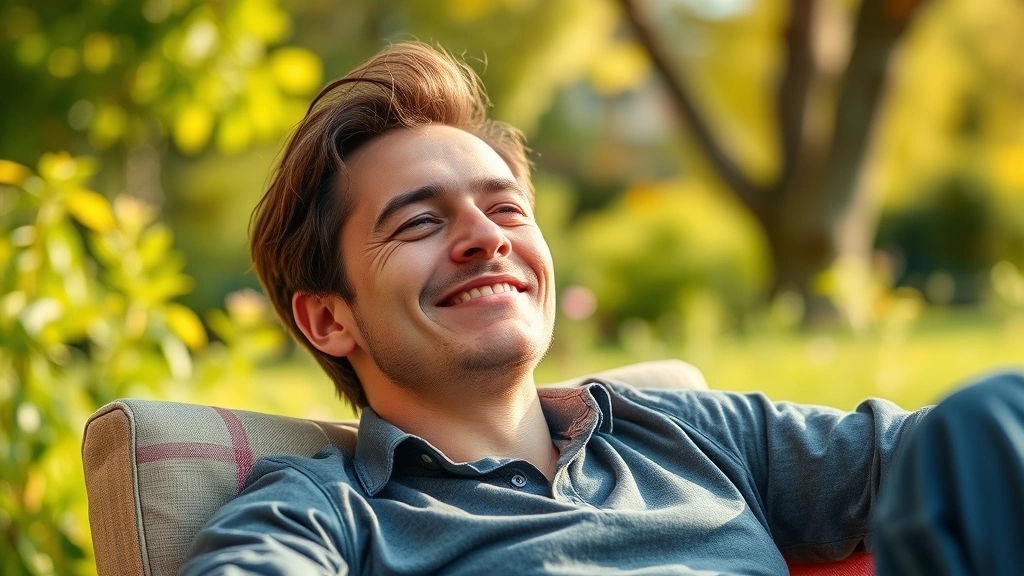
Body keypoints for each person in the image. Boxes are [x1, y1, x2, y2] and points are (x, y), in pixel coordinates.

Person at [181, 42, 1024, 575]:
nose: (486, 238)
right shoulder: (329, 512)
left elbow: (945, 461)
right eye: (421, 222)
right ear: (330, 318)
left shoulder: (696, 433)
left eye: (506, 208)